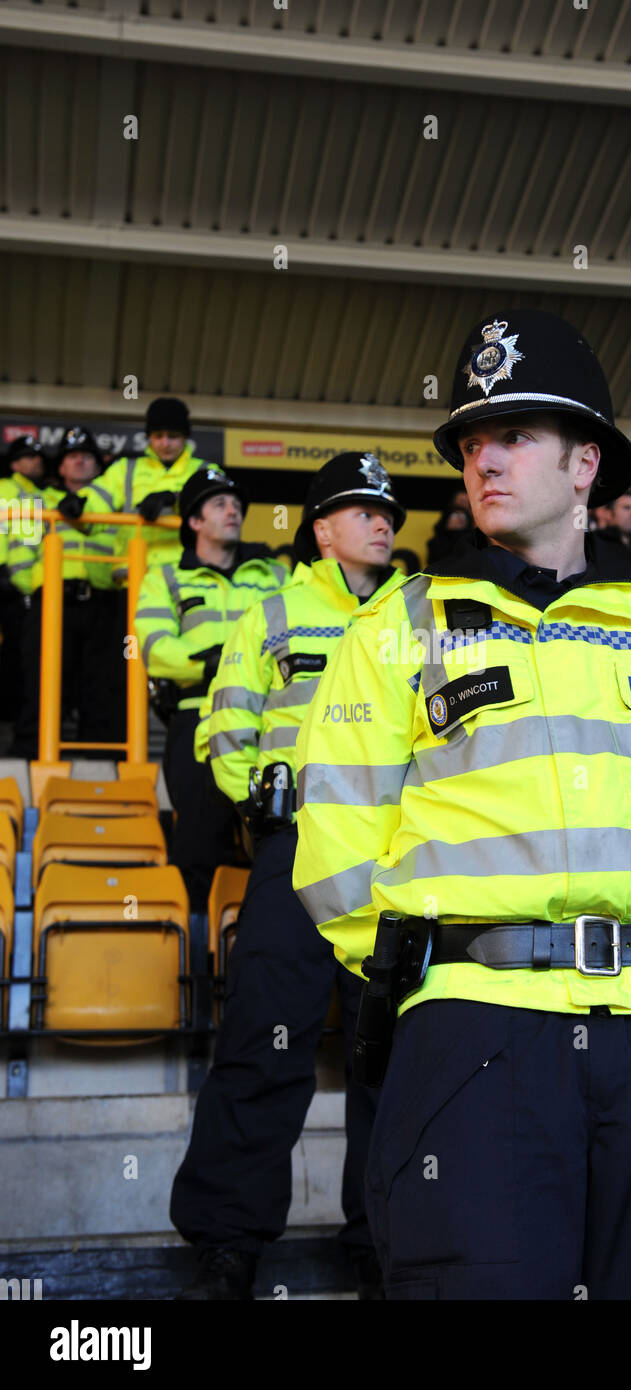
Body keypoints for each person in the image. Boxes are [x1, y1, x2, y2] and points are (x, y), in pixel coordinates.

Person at [293, 309, 631, 1301]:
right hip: (474, 1028)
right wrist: (420, 970)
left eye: (513, 435)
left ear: (585, 461)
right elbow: (336, 829)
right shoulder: (396, 628)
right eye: (470, 442)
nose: (483, 460)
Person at [170, 453, 406, 1300]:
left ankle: (386, 1246)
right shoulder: (270, 611)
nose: (383, 521)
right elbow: (225, 724)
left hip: (396, 859)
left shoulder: (422, 617)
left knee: (393, 1058)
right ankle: (229, 1244)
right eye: (361, 509)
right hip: (297, 848)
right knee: (265, 1042)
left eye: (388, 511)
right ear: (320, 529)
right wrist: (253, 795)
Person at [134, 468, 287, 910]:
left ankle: (251, 946)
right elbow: (156, 649)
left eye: (237, 504)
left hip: (263, 719)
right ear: (194, 521)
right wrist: (221, 660)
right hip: (194, 715)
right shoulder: (165, 577)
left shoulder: (273, 574)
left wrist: (222, 659)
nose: (232, 510)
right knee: (198, 841)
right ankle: (199, 956)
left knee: (269, 837)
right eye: (219, 504)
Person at [10, 427, 127, 759]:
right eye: (71, 456)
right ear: (59, 467)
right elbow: (21, 553)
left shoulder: (115, 507)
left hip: (104, 603)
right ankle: (31, 758)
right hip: (51, 602)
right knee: (44, 683)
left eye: (86, 456)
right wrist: (32, 594)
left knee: (104, 688)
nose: (79, 461)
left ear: (98, 466)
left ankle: (103, 764)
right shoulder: (37, 501)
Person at [60, 397, 223, 580]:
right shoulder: (126, 469)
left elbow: (220, 513)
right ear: (148, 437)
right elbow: (97, 499)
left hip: (189, 575)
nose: (165, 443)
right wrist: (80, 505)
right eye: (158, 436)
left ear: (185, 437)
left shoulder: (206, 471)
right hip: (135, 574)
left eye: (173, 436)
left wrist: (176, 500)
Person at [0, 434, 48, 727]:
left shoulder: (38, 495)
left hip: (25, 589)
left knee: (20, 657)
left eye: (38, 456)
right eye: (30, 456)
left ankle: (11, 717)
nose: (37, 461)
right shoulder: (6, 487)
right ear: (15, 463)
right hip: (6, 584)